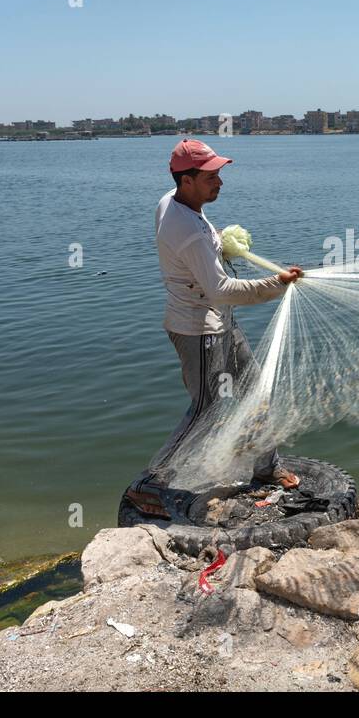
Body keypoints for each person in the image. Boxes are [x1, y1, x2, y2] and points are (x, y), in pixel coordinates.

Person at [124, 138, 304, 517]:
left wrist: (222, 242)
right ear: (186, 180)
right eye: (211, 176)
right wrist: (277, 284)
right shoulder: (187, 229)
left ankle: (266, 465)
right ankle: (149, 484)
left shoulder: (173, 202)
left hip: (217, 322)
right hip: (199, 330)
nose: (219, 182)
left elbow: (202, 249)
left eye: (218, 174)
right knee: (207, 408)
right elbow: (221, 290)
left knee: (256, 389)